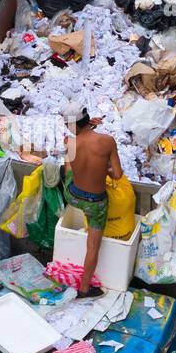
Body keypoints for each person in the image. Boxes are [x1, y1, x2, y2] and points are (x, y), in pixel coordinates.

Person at [65, 108, 123, 297]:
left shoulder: (71, 143)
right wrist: (104, 169)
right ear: (88, 120)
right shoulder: (107, 141)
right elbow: (118, 174)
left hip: (73, 195)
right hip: (95, 203)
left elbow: (67, 172)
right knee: (92, 247)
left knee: (71, 171)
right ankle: (84, 288)